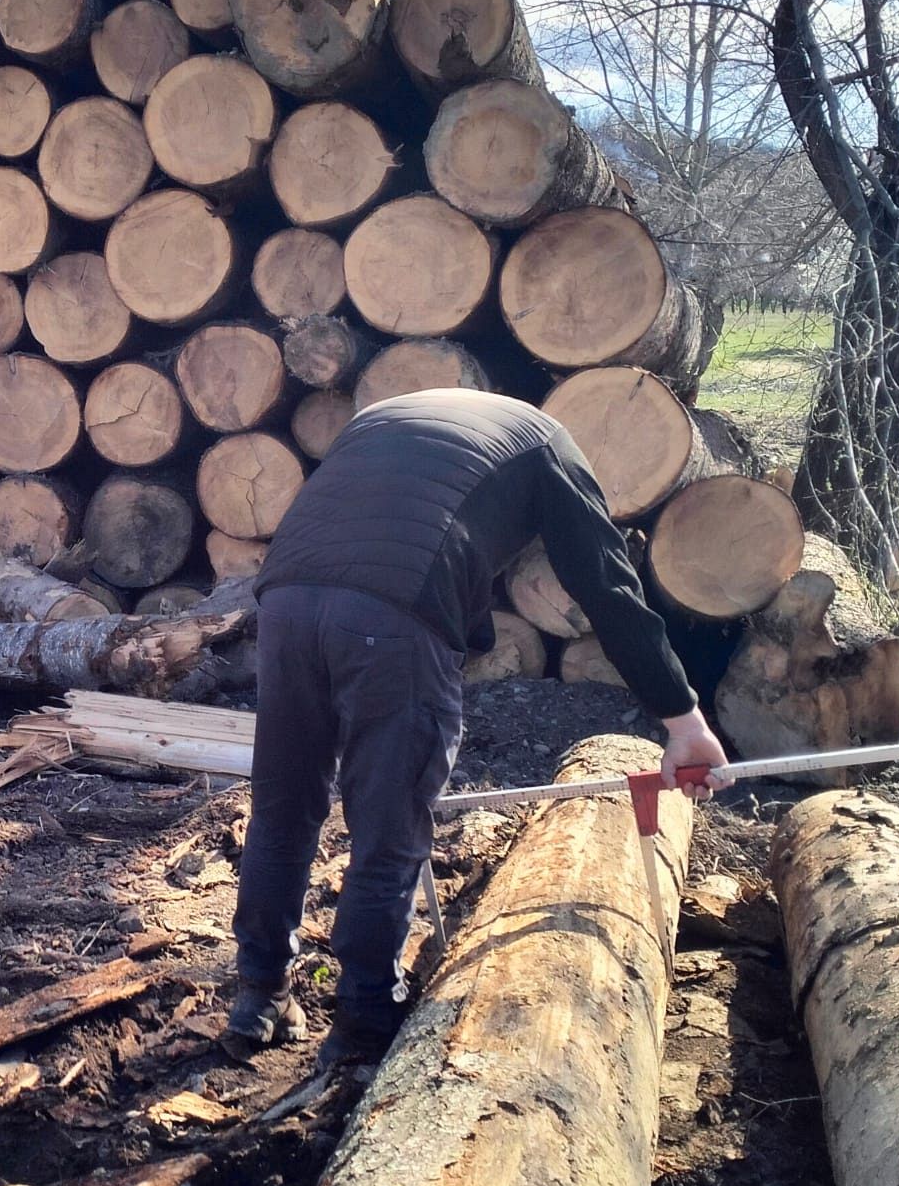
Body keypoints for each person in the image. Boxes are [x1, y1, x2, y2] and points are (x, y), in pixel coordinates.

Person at [224, 387, 729, 1068]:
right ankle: (364, 1017)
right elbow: (609, 590)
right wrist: (684, 719)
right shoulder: (551, 448)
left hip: (285, 600)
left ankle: (257, 995)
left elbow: (373, 528)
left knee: (284, 807)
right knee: (388, 825)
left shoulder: (385, 419)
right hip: (395, 619)